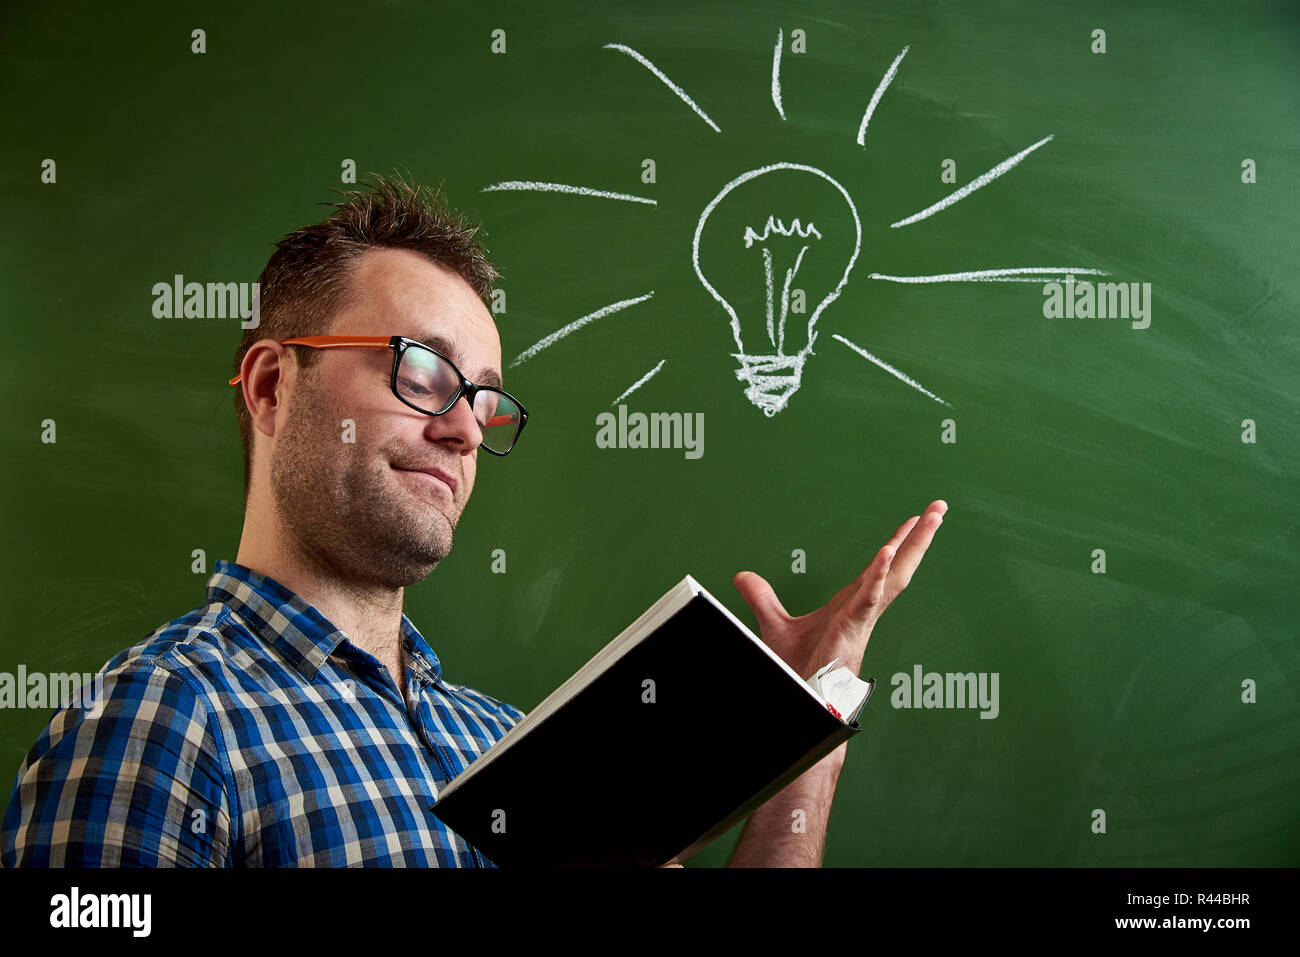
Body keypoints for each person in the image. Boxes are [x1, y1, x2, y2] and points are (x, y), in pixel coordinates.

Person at [0, 173, 946, 867]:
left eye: (485, 400)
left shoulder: (513, 750)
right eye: (420, 370)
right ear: (273, 386)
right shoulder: (162, 722)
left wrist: (803, 726)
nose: (462, 430)